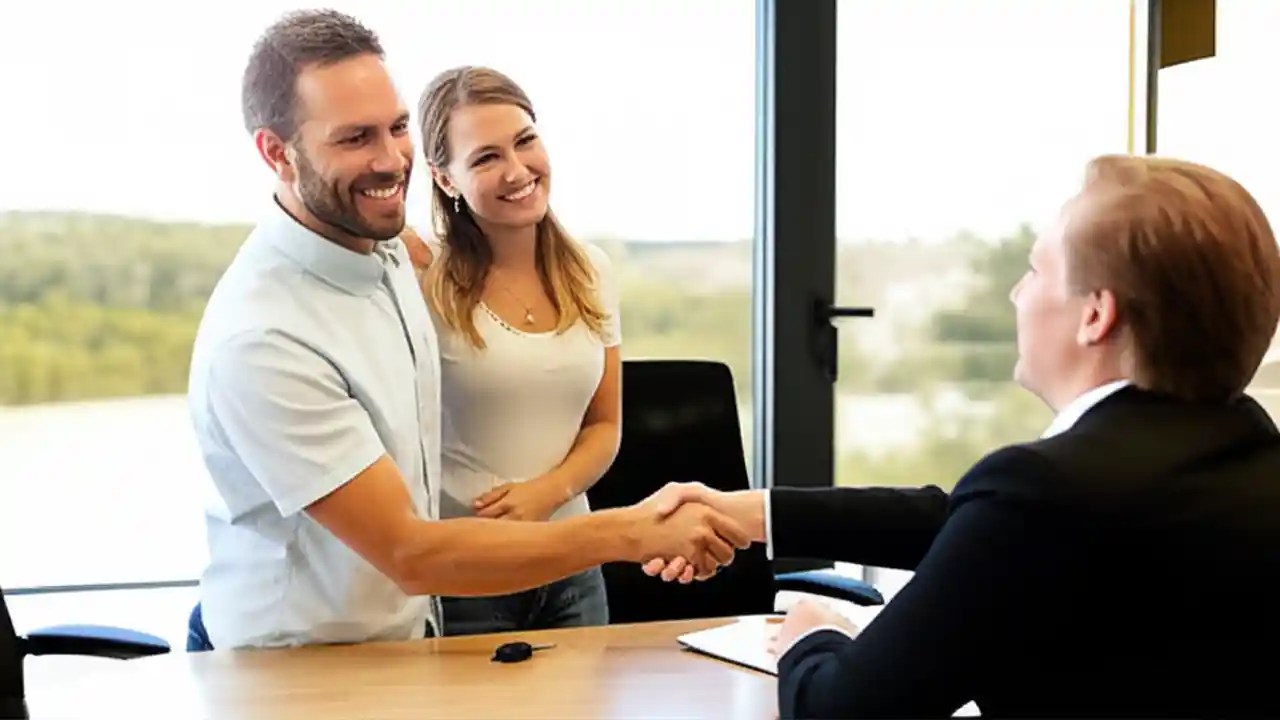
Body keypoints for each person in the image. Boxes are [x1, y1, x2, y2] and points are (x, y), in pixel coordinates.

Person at [185, 9, 749, 652]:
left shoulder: (384, 250)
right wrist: (635, 532)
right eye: (355, 138)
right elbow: (409, 551)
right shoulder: (265, 339)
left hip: (403, 637)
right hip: (298, 668)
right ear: (276, 154)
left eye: (397, 128)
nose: (393, 159)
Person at [647, 155, 1280, 718]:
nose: (1015, 292)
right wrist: (755, 513)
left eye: (1034, 270)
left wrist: (814, 635)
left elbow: (837, 710)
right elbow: (978, 526)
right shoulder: (1244, 448)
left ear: (1095, 315)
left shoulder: (1048, 492)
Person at [390, 66, 622, 636]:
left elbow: (605, 426)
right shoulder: (423, 278)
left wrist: (546, 494)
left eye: (525, 141)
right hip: (469, 573)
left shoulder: (590, 271)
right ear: (445, 180)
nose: (517, 171)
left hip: (573, 562)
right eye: (486, 158)